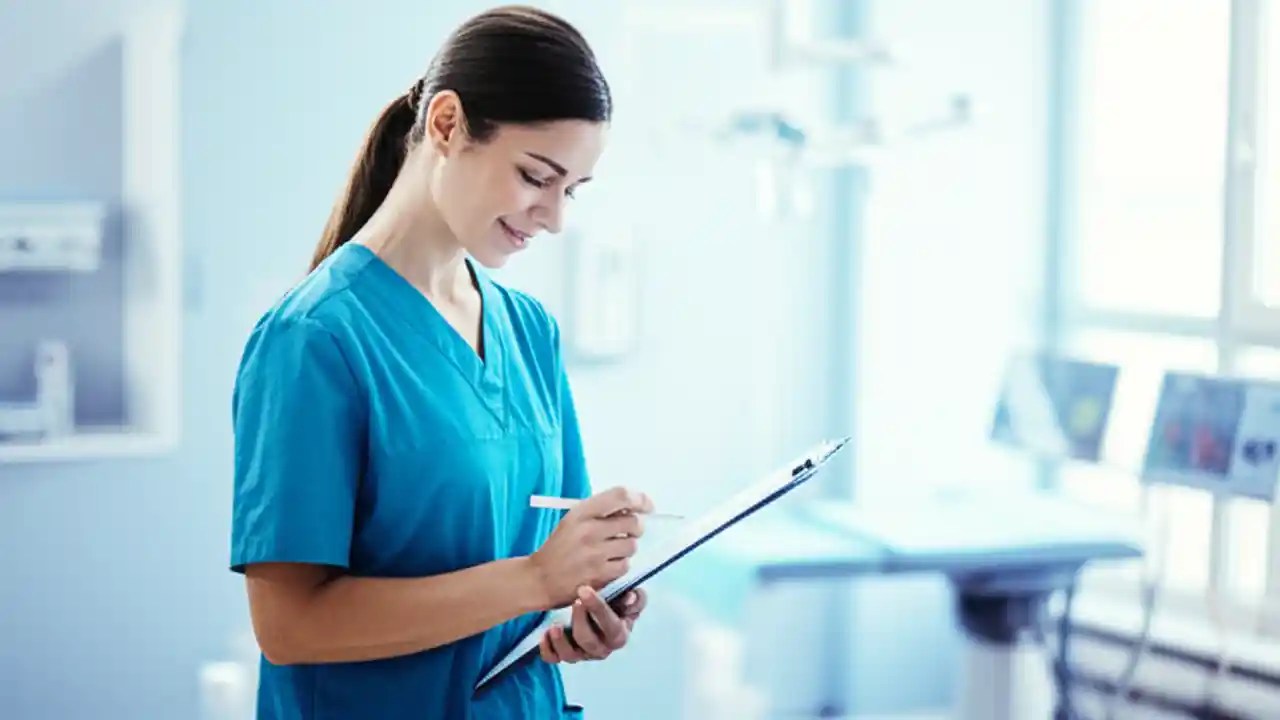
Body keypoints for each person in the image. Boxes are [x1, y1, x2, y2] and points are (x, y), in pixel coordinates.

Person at [228, 6, 654, 718]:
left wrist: (581, 609)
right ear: (448, 124)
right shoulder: (313, 341)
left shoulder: (528, 331)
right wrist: (533, 580)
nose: (554, 217)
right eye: (535, 176)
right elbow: (289, 626)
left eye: (571, 190)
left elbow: (542, 574)